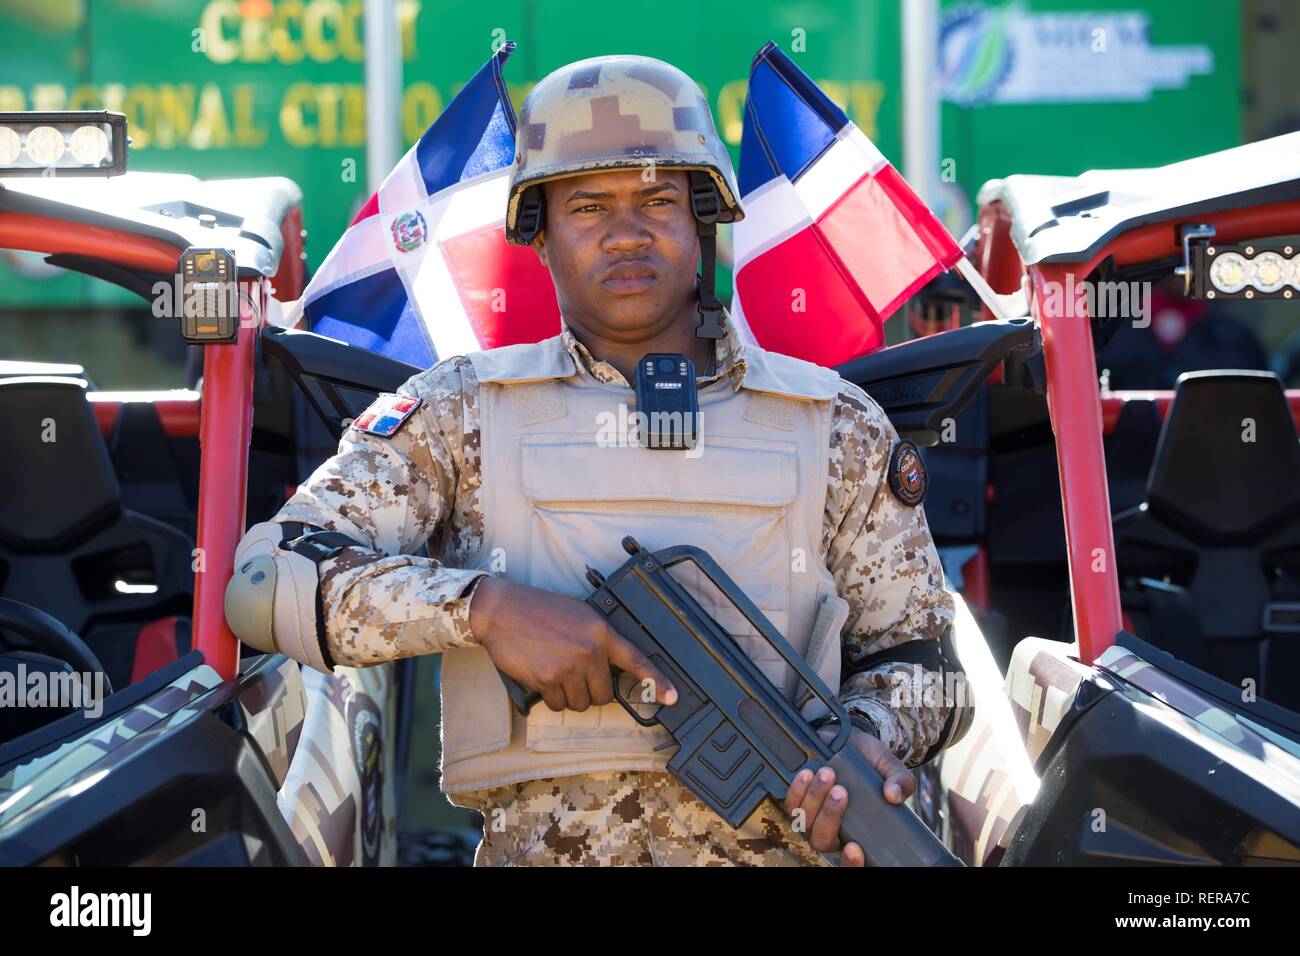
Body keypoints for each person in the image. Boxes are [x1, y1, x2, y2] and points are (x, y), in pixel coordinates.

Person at [226, 54, 965, 866]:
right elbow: (272, 582)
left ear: (704, 223)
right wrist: (486, 611)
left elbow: (920, 656)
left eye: (657, 200)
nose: (626, 233)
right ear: (537, 237)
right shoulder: (462, 413)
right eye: (588, 207)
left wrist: (866, 743)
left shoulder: (835, 425)